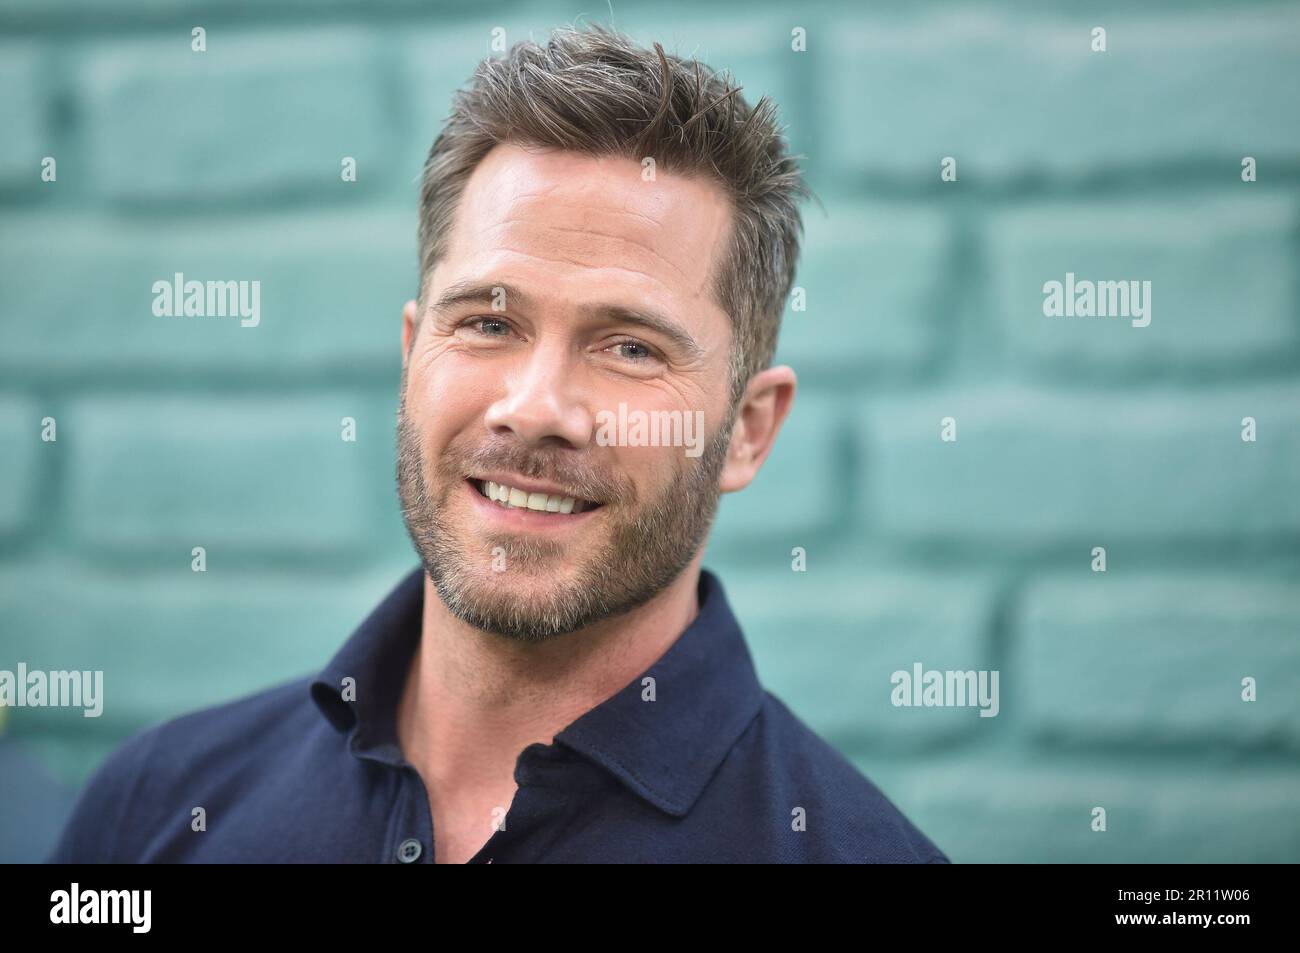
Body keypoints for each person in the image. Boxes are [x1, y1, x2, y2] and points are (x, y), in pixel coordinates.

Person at [48, 23, 948, 864]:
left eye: (630, 347)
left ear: (747, 431)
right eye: (486, 322)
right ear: (412, 358)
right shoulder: (156, 807)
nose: (534, 407)